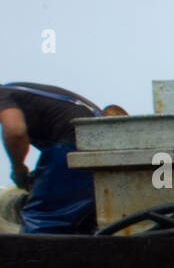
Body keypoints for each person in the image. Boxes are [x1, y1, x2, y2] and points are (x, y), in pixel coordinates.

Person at [0, 82, 127, 234]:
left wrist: (18, 169)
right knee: (83, 222)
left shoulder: (3, 95)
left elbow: (15, 132)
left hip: (74, 150)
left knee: (45, 221)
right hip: (101, 149)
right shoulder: (21, 91)